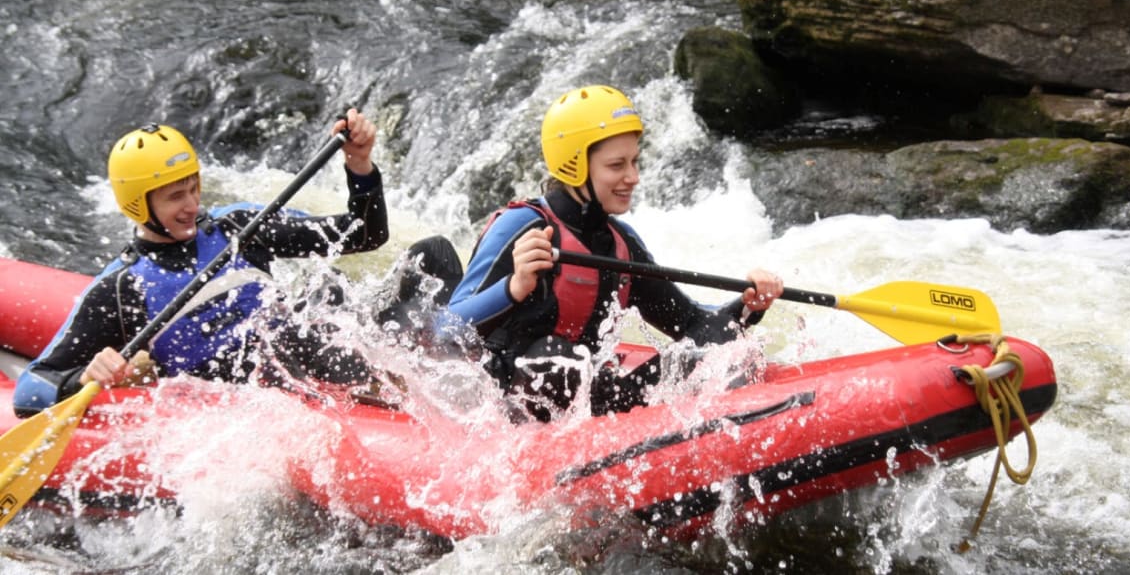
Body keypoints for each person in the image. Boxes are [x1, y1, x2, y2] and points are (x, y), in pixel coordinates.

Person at [13, 112, 393, 417]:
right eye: (176, 196)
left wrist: (359, 165)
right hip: (242, 403)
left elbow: (363, 236)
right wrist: (85, 377)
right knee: (282, 335)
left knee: (356, 280)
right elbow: (32, 389)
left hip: (307, 361)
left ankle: (408, 381)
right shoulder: (121, 287)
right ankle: (385, 397)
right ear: (137, 205)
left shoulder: (239, 226)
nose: (193, 205)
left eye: (194, 188)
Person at [445, 85, 784, 421]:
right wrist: (514, 287)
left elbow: (692, 322)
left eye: (634, 162)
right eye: (617, 165)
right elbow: (442, 330)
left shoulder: (620, 243)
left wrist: (748, 303)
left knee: (720, 335)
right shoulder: (522, 226)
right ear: (574, 166)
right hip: (509, 402)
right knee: (558, 359)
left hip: (592, 401)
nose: (633, 177)